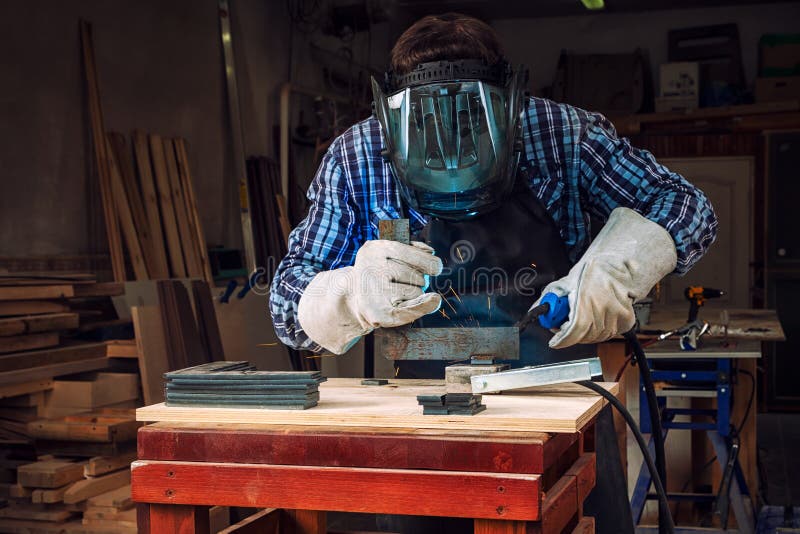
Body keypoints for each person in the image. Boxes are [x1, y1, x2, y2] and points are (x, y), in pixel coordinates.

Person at [270, 12, 717, 533]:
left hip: (559, 407)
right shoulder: (361, 155)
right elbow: (286, 304)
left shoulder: (561, 133)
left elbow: (685, 205)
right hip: (421, 417)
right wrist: (347, 293)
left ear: (508, 103)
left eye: (468, 131)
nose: (453, 162)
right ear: (393, 118)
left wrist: (616, 267)